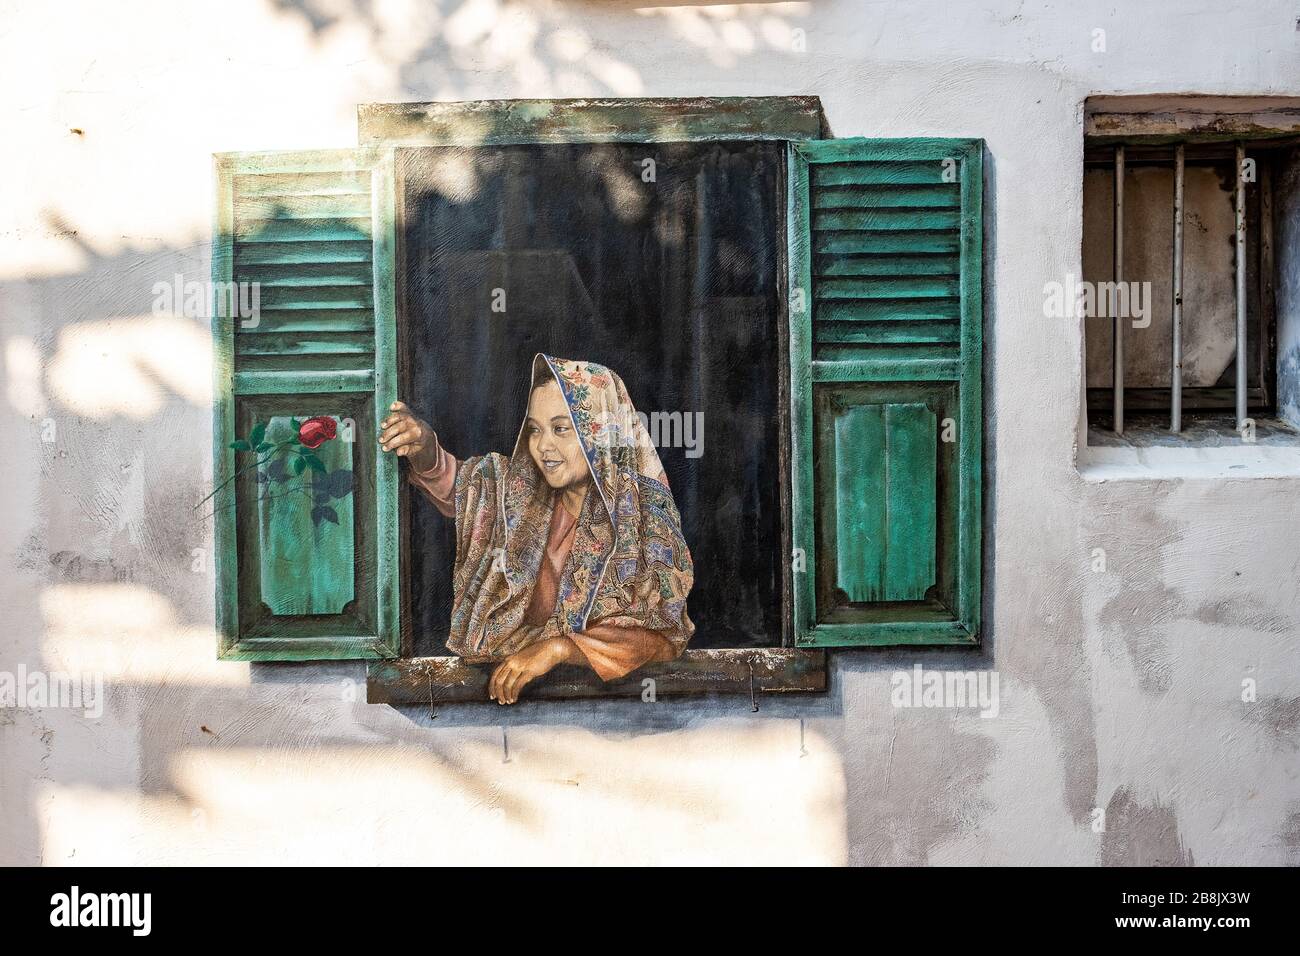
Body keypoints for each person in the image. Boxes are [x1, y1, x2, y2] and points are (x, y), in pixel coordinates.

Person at [379, 354, 694, 704]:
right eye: (534, 429)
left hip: (607, 717)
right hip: (504, 705)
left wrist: (559, 649)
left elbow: (664, 639)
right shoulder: (518, 491)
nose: (543, 446)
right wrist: (422, 447)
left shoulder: (646, 517)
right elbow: (458, 485)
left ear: (602, 432)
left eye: (560, 428)